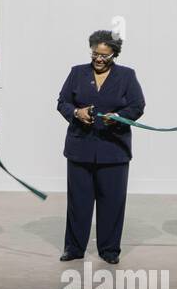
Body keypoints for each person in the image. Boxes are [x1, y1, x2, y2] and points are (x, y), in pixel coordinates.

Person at [56, 29, 145, 264]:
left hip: (114, 150)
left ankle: (109, 250)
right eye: (95, 54)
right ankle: (74, 248)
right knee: (78, 203)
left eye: (105, 56)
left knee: (112, 203)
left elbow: (137, 106)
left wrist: (118, 116)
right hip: (80, 148)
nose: (98, 59)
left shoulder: (127, 76)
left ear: (114, 55)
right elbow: (62, 102)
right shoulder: (77, 73)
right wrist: (76, 112)